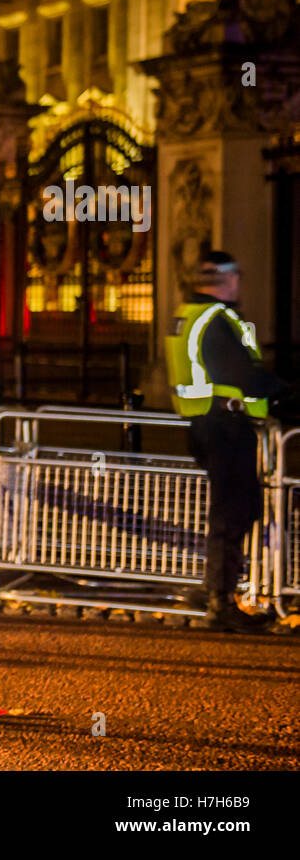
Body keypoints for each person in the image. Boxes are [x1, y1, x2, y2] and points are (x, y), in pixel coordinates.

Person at [164, 251, 289, 633]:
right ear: (228, 280)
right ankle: (220, 601)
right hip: (224, 424)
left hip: (204, 423)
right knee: (232, 512)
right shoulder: (217, 320)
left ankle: (213, 590)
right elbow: (243, 376)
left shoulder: (188, 314)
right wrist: (285, 393)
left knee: (236, 508)